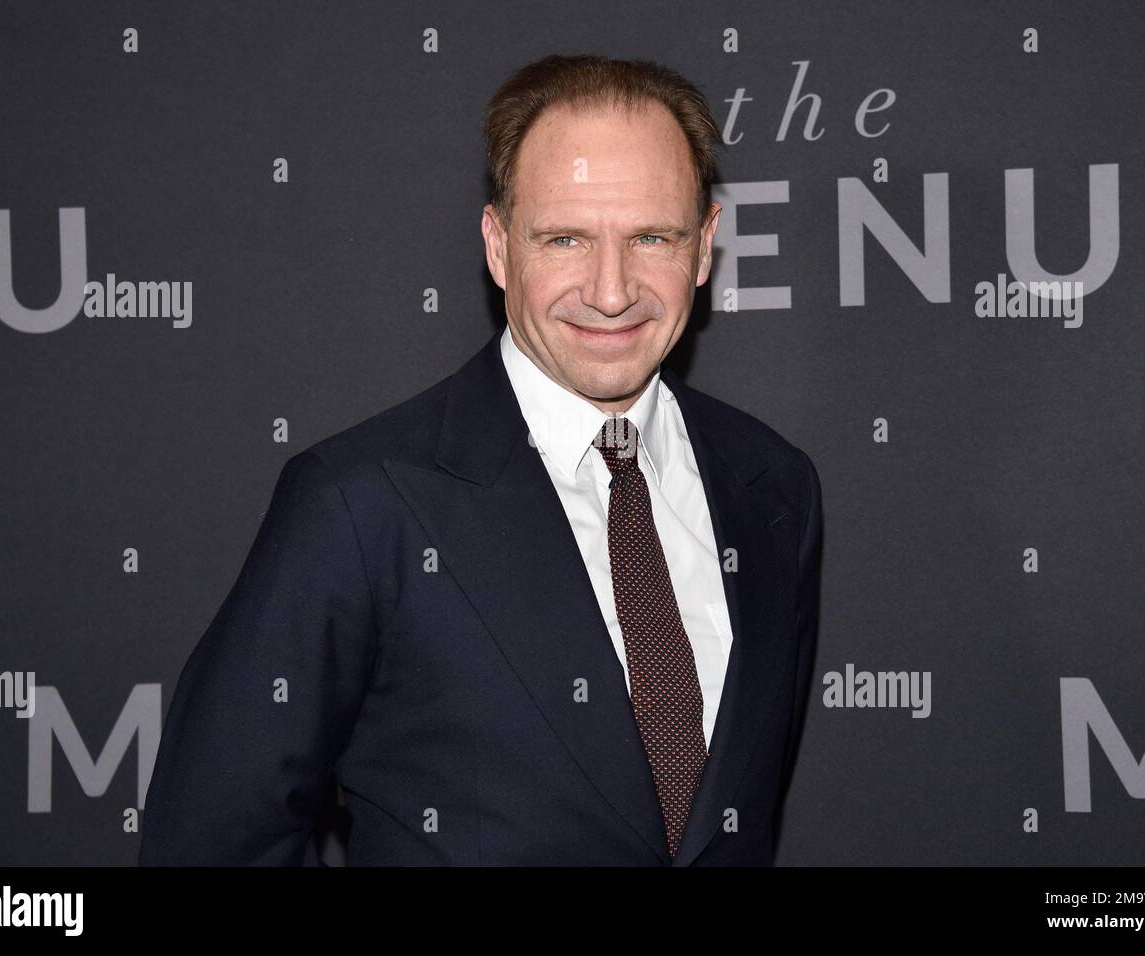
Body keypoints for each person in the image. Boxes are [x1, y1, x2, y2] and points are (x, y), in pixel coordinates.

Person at [139, 52, 823, 867]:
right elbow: (212, 842)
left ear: (705, 247)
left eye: (652, 236)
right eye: (565, 238)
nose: (611, 290)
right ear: (500, 248)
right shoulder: (362, 503)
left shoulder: (773, 489)